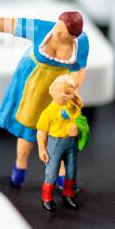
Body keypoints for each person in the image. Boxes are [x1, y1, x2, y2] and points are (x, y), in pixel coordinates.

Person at [0, 8, 89, 187]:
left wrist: (73, 86)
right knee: (28, 127)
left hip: (60, 87)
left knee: (58, 130)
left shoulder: (82, 42)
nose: (56, 31)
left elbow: (80, 69)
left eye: (62, 32)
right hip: (34, 82)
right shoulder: (41, 29)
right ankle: (20, 165)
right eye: (57, 26)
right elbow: (12, 25)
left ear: (73, 37)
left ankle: (62, 174)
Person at [36, 74, 84, 212]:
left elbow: (81, 123)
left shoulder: (74, 107)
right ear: (52, 92)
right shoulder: (48, 112)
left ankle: (68, 195)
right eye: (60, 92)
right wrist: (42, 149)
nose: (63, 95)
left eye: (68, 92)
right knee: (52, 172)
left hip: (71, 144)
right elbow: (41, 132)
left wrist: (78, 129)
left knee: (71, 170)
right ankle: (47, 198)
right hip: (55, 144)